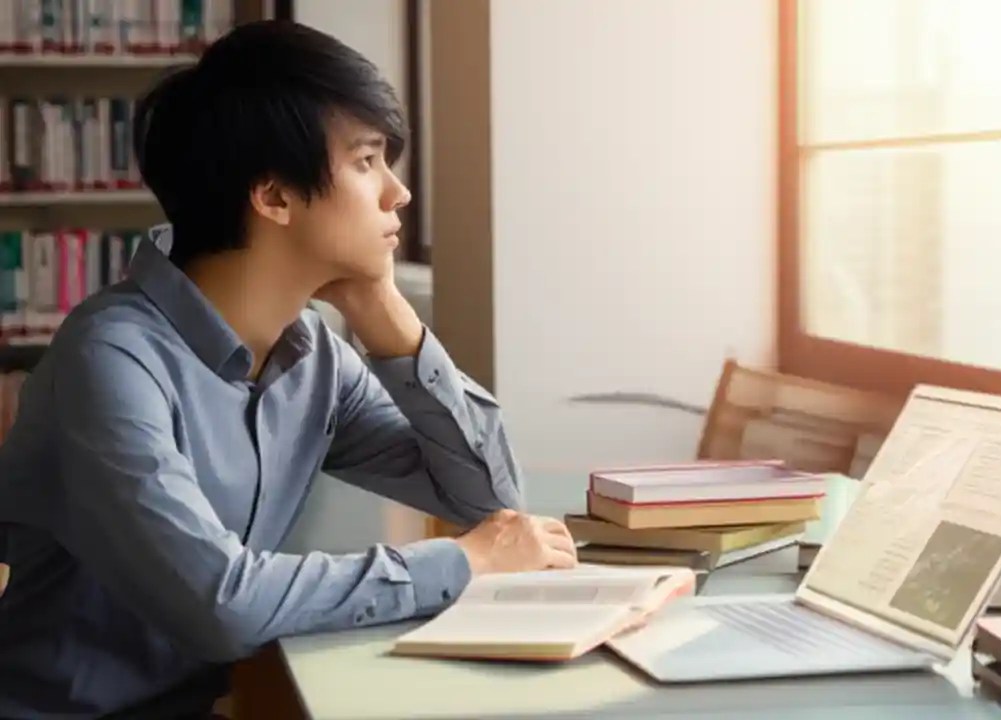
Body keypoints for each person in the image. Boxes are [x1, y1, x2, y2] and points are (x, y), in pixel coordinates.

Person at [0, 20, 577, 719]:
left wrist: (383, 310)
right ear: (272, 196)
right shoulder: (110, 363)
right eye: (367, 162)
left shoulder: (313, 355)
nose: (398, 194)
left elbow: (487, 500)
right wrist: (463, 563)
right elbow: (224, 604)